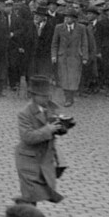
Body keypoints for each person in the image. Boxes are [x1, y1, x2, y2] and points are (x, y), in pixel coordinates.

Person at [14, 75, 66, 205]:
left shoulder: (51, 108)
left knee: (39, 191)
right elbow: (27, 137)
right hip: (28, 160)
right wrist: (48, 129)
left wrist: (62, 127)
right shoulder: (25, 113)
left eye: (48, 95)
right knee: (32, 194)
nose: (46, 98)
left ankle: (22, 206)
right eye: (43, 96)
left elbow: (56, 128)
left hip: (44, 158)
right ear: (34, 96)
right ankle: (26, 215)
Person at [50, 9, 89, 107]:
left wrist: (85, 56)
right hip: (63, 56)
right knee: (64, 77)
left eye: (69, 17)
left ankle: (70, 96)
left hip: (75, 56)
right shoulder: (59, 28)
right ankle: (67, 97)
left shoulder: (81, 28)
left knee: (73, 77)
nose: (67, 19)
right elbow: (54, 43)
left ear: (74, 19)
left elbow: (84, 43)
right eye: (66, 17)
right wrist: (54, 55)